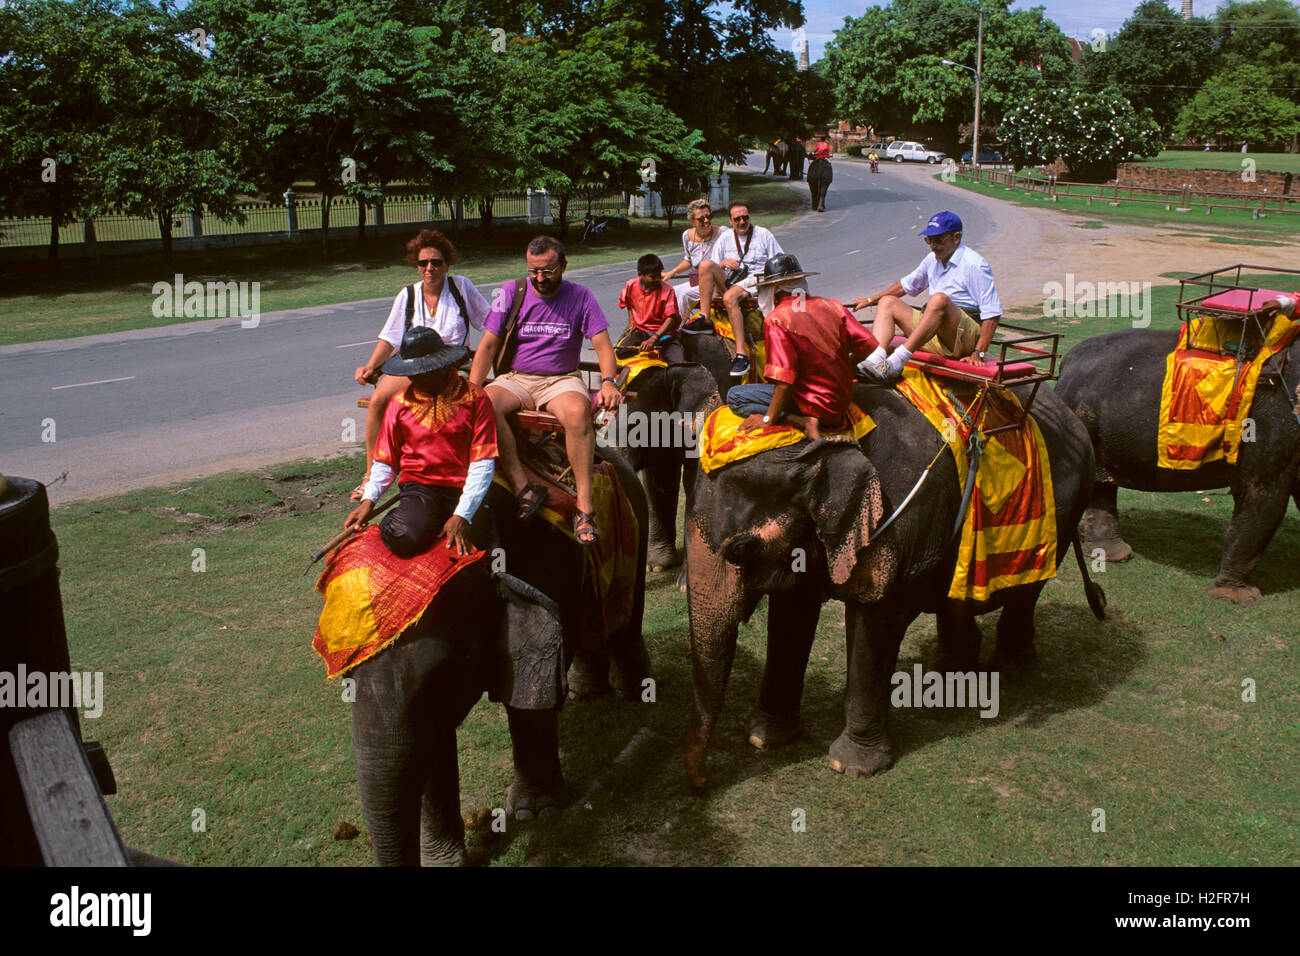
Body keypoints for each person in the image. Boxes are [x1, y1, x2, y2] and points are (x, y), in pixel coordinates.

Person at [467, 236, 622, 545]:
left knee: (578, 413)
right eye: (533, 271)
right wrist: (471, 388)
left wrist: (608, 381)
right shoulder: (511, 291)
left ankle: (585, 506)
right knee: (484, 403)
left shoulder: (581, 296)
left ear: (563, 266)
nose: (540, 278)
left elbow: (603, 346)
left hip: (561, 379)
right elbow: (487, 344)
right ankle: (523, 485)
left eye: (548, 270)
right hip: (517, 378)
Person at [351, 229, 489, 499]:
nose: (430, 268)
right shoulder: (408, 295)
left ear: (447, 264)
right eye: (423, 263)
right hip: (415, 366)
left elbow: (490, 325)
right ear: (416, 266)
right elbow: (390, 337)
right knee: (379, 399)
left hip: (451, 364)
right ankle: (370, 474)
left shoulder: (461, 287)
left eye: (436, 262)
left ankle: (452, 472)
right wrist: (370, 366)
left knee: (451, 407)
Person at [345, 326, 496, 559]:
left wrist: (462, 515)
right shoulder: (398, 402)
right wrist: (369, 501)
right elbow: (386, 461)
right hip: (420, 489)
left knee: (484, 548)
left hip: (464, 487)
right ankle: (404, 517)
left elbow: (482, 463)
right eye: (412, 372)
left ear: (443, 366)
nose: (415, 378)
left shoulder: (476, 399)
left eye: (423, 372)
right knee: (404, 537)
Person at [728, 254, 875, 442]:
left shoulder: (777, 319)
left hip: (812, 405)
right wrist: (847, 367)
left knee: (735, 396)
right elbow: (869, 345)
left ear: (774, 290)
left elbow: (784, 382)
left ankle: (801, 422)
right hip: (840, 399)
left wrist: (768, 419)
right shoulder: (834, 306)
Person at [852, 210, 1002, 385]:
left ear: (956, 237)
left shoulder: (974, 265)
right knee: (887, 302)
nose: (932, 245)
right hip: (934, 330)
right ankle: (876, 357)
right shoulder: (932, 259)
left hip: (962, 337)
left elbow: (992, 313)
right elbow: (906, 285)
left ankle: (896, 362)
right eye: (929, 240)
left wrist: (979, 354)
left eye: (938, 240)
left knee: (939, 299)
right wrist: (871, 300)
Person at [683, 200, 785, 375]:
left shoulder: (763, 234)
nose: (742, 222)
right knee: (705, 265)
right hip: (731, 280)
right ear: (730, 221)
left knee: (730, 297)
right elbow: (715, 264)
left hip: (754, 281)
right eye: (737, 219)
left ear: (749, 217)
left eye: (745, 217)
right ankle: (705, 318)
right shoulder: (725, 237)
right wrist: (723, 263)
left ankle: (740, 355)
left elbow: (780, 260)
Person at [662, 199, 732, 321]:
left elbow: (731, 259)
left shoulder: (723, 233)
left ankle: (679, 329)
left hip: (719, 282)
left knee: (684, 294)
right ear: (692, 222)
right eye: (701, 219)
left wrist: (717, 266)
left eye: (709, 216)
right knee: (672, 292)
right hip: (698, 281)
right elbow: (688, 260)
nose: (706, 221)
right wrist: (672, 272)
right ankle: (671, 325)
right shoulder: (687, 236)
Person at [616, 254, 684, 363]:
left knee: (678, 363)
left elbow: (671, 318)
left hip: (664, 335)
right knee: (620, 352)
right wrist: (631, 323)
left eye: (659, 275)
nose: (657, 279)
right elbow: (628, 303)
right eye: (653, 276)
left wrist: (654, 338)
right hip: (641, 331)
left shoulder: (668, 290)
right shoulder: (630, 285)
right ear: (640, 275)